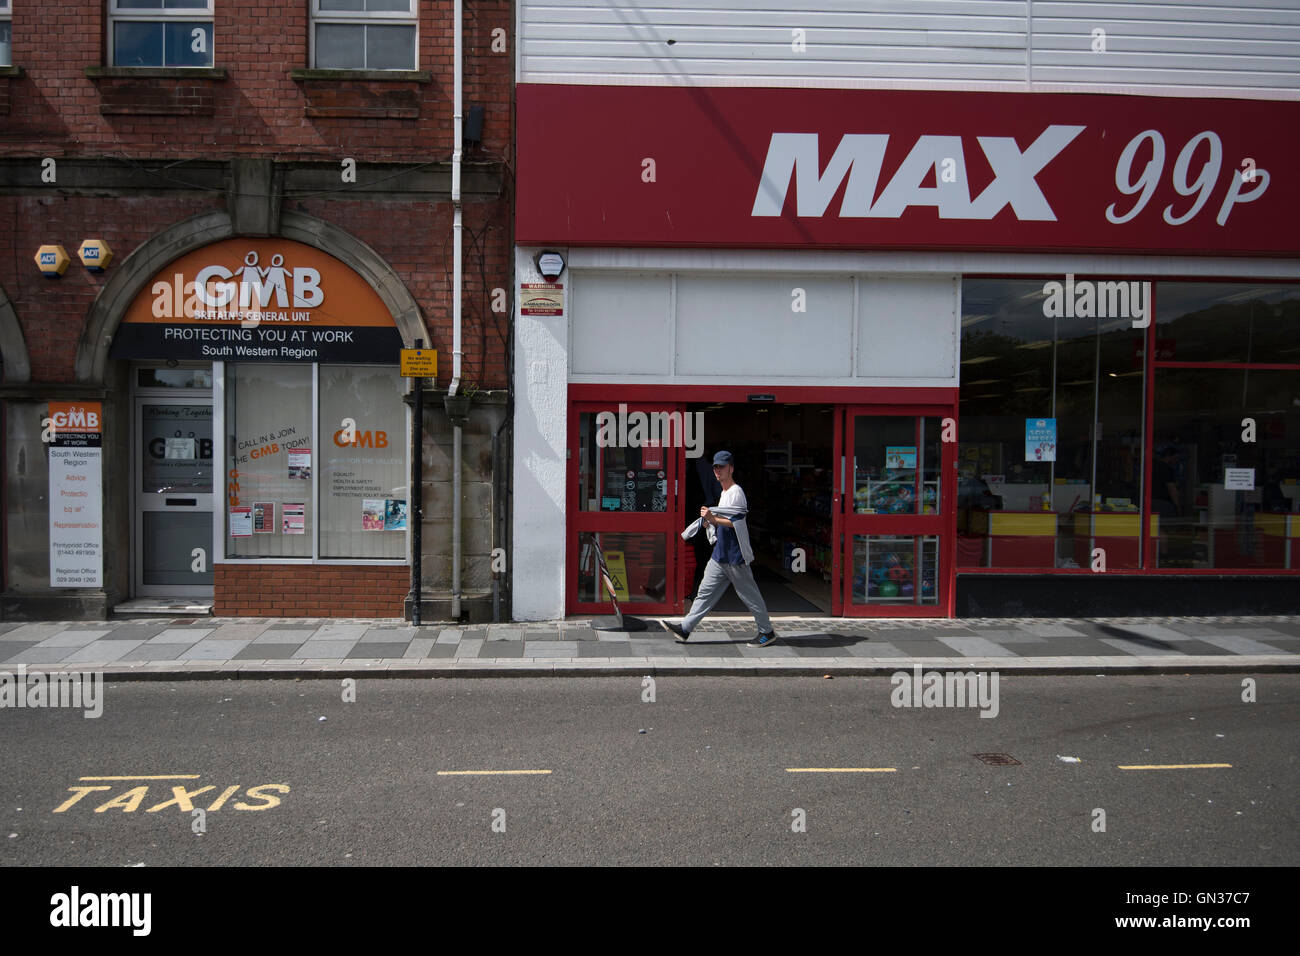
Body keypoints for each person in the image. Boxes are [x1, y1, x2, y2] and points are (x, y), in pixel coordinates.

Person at [667, 450, 777, 647]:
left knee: (749, 595)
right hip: (720, 554)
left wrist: (712, 519)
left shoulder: (736, 492)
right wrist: (712, 522)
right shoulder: (724, 493)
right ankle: (685, 629)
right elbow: (722, 520)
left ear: (731, 469)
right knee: (704, 592)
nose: (718, 470)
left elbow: (737, 522)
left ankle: (767, 631)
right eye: (716, 467)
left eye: (722, 467)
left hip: (735, 556)